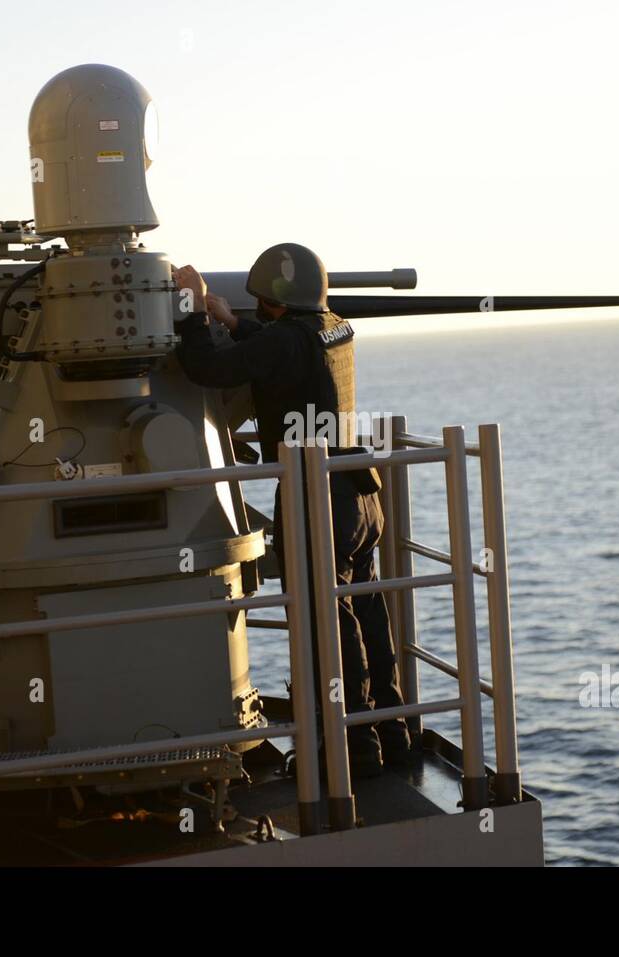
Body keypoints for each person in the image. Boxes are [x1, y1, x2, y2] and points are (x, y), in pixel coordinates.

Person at [172, 243, 411, 776]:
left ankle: (354, 750)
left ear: (276, 301)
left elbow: (207, 368)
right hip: (360, 491)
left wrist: (191, 311)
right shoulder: (334, 325)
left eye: (261, 302)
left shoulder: (283, 340)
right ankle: (392, 735)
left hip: (317, 496)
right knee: (366, 609)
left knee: (329, 620)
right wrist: (230, 319)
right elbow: (280, 347)